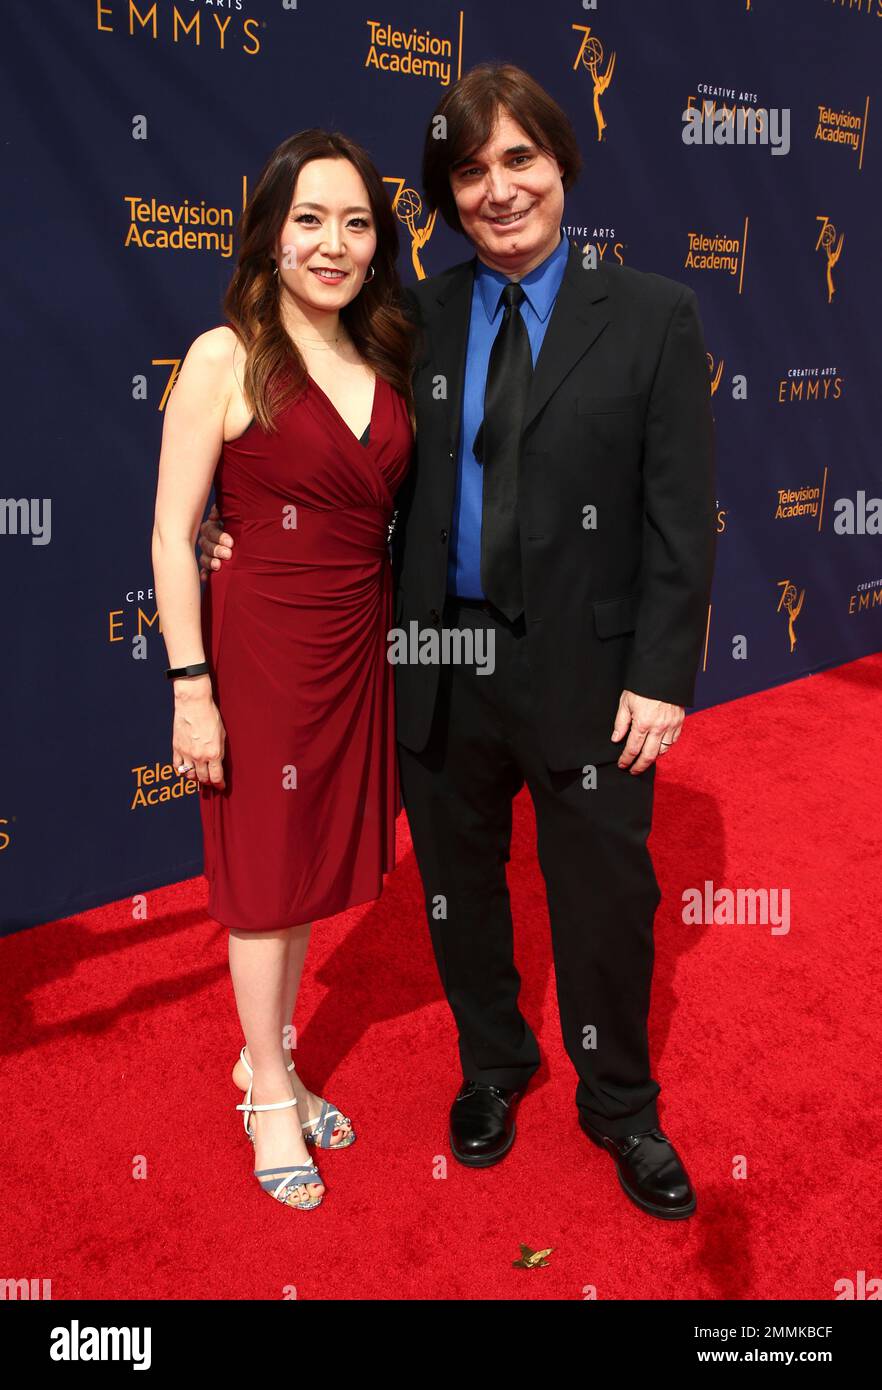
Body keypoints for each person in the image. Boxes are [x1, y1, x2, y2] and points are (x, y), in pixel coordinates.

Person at [201, 65, 717, 1221]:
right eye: (471, 171)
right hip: (438, 662)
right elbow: (318, 439)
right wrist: (229, 535)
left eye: (519, 159)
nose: (499, 190)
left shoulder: (652, 316)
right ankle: (494, 1068)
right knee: (458, 890)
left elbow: (682, 519)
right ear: (446, 194)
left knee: (603, 899)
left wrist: (663, 677)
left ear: (562, 165)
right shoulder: (410, 318)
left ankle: (622, 1105)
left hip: (591, 671)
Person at [152, 130, 414, 1211]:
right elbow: (174, 535)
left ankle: (272, 1054)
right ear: (269, 233)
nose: (333, 243)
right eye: (309, 219)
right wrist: (191, 687)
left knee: (301, 869)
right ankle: (268, 1090)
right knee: (264, 877)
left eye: (356, 222)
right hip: (260, 652)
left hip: (357, 642)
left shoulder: (387, 353)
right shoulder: (227, 355)